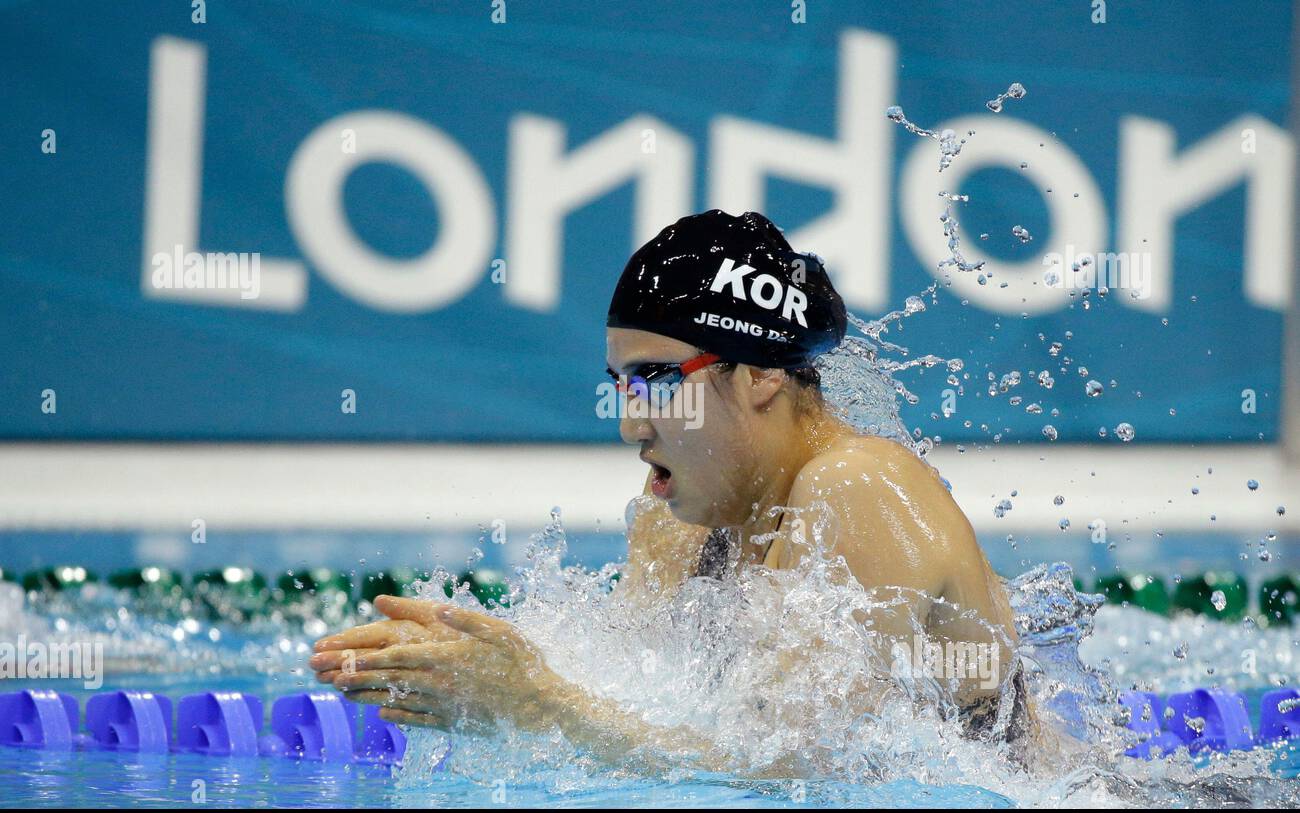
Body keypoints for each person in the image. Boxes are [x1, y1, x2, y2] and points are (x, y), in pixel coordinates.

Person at [310, 210, 1032, 774]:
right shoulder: (680, 521)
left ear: (760, 373)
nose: (631, 424)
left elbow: (795, 776)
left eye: (656, 382)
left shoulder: (860, 486)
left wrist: (538, 705)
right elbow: (645, 713)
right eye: (622, 385)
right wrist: (480, 674)